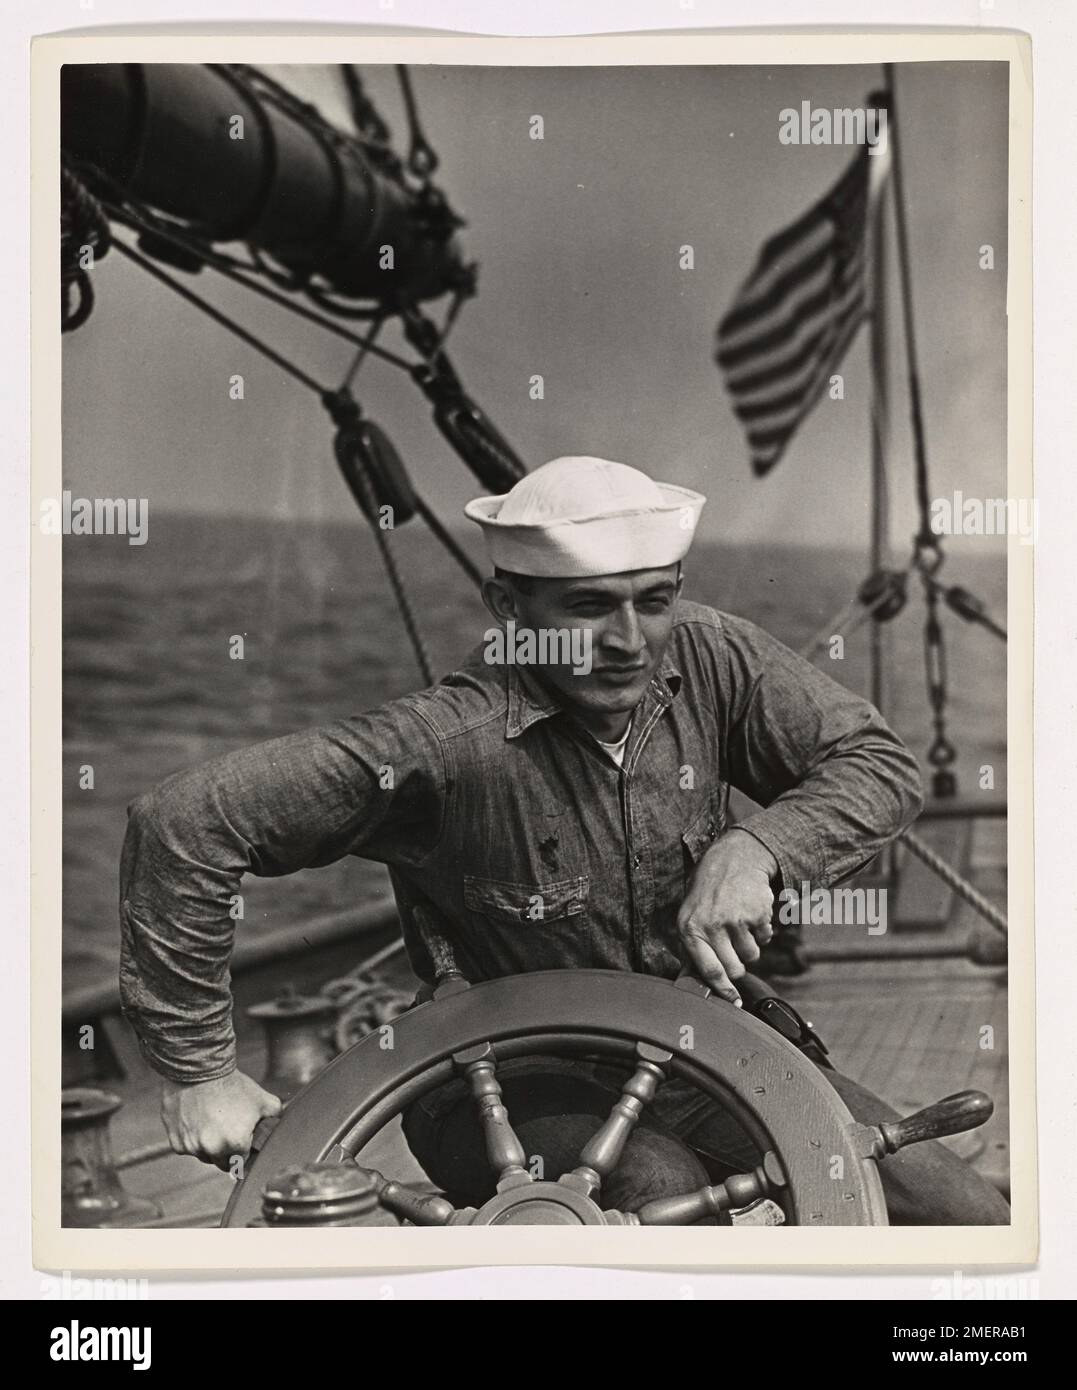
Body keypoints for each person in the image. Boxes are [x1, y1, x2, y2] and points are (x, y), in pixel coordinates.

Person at [119, 456, 1010, 1224]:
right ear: (507, 603)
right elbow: (186, 824)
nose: (628, 641)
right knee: (660, 1193)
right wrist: (200, 1071)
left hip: (702, 1048)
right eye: (587, 607)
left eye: (652, 600)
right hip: (504, 1076)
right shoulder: (439, 748)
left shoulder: (707, 657)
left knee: (966, 1215)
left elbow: (876, 762)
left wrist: (759, 850)